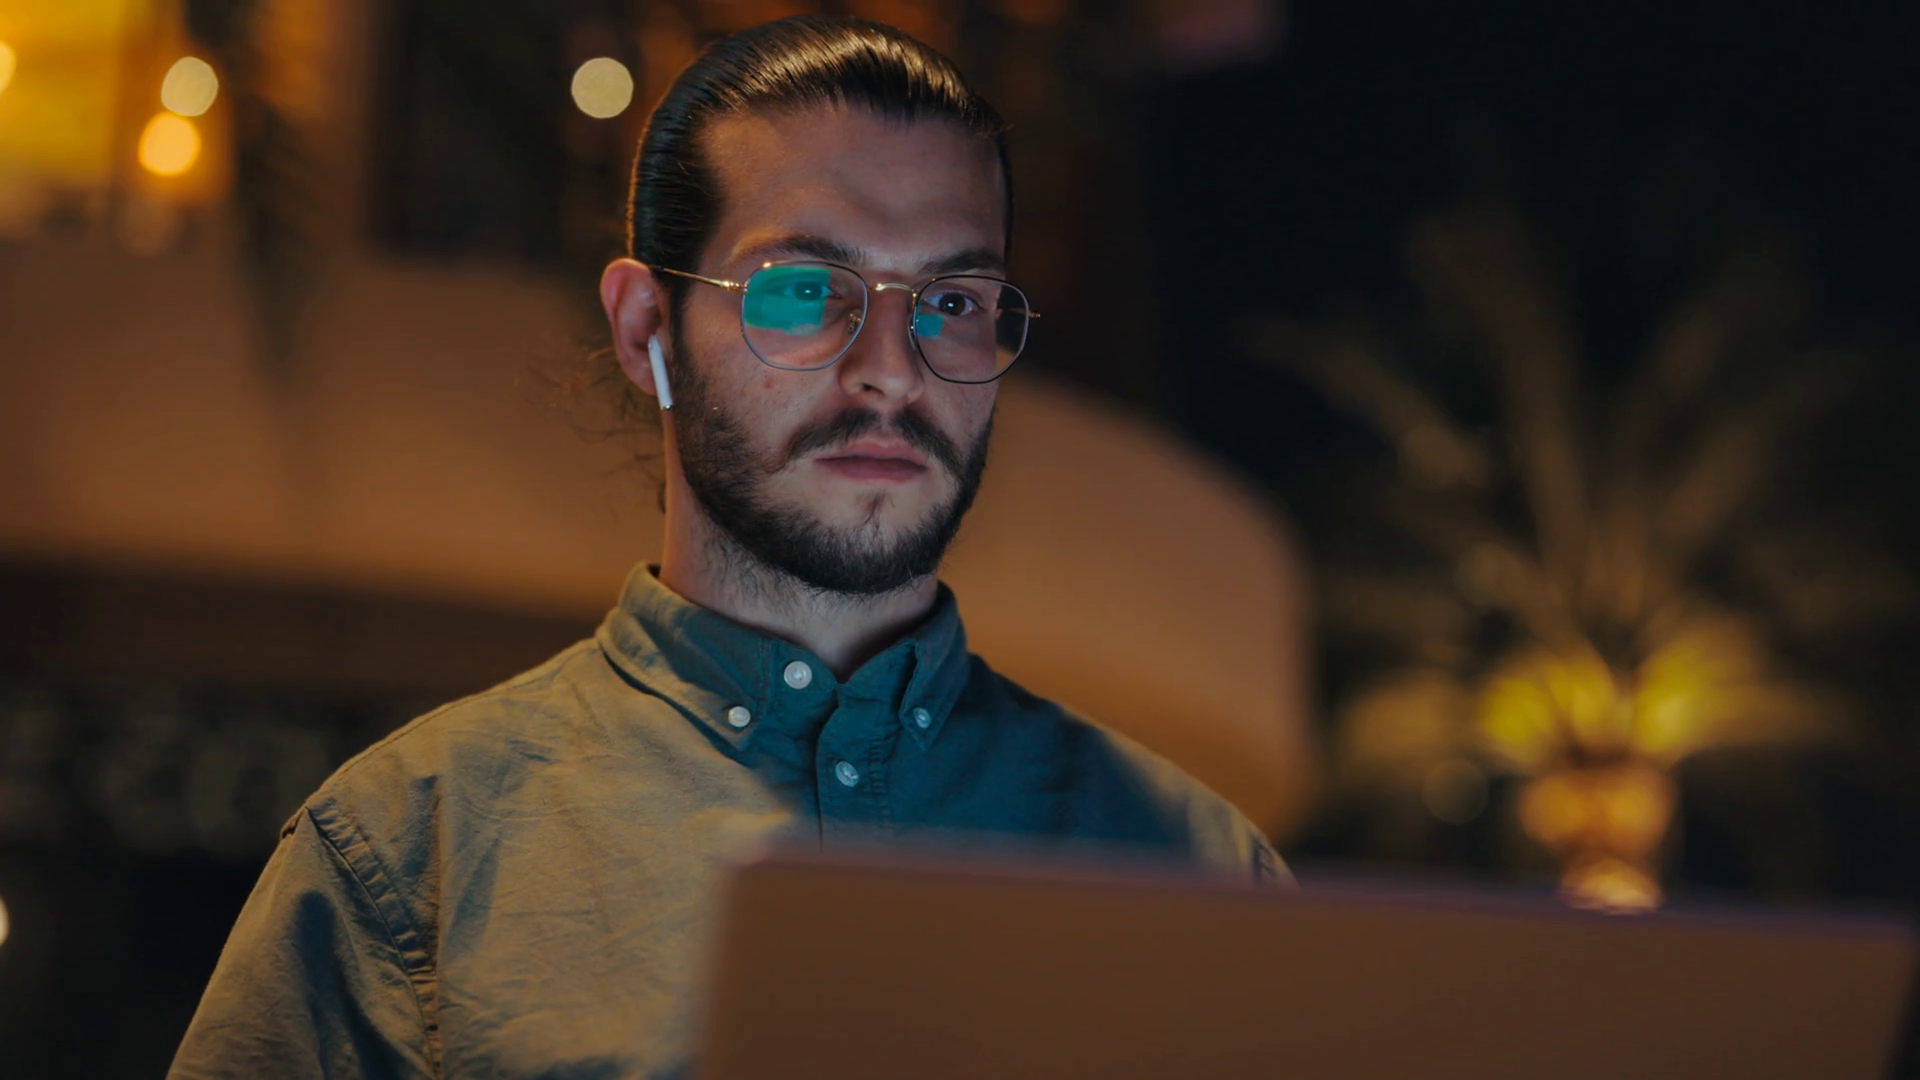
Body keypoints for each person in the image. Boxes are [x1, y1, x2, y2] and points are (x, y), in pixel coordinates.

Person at [169, 14, 1286, 1080]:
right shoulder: (404, 856)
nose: (892, 368)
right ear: (645, 326)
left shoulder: (1200, 872)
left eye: (952, 299)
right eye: (804, 290)